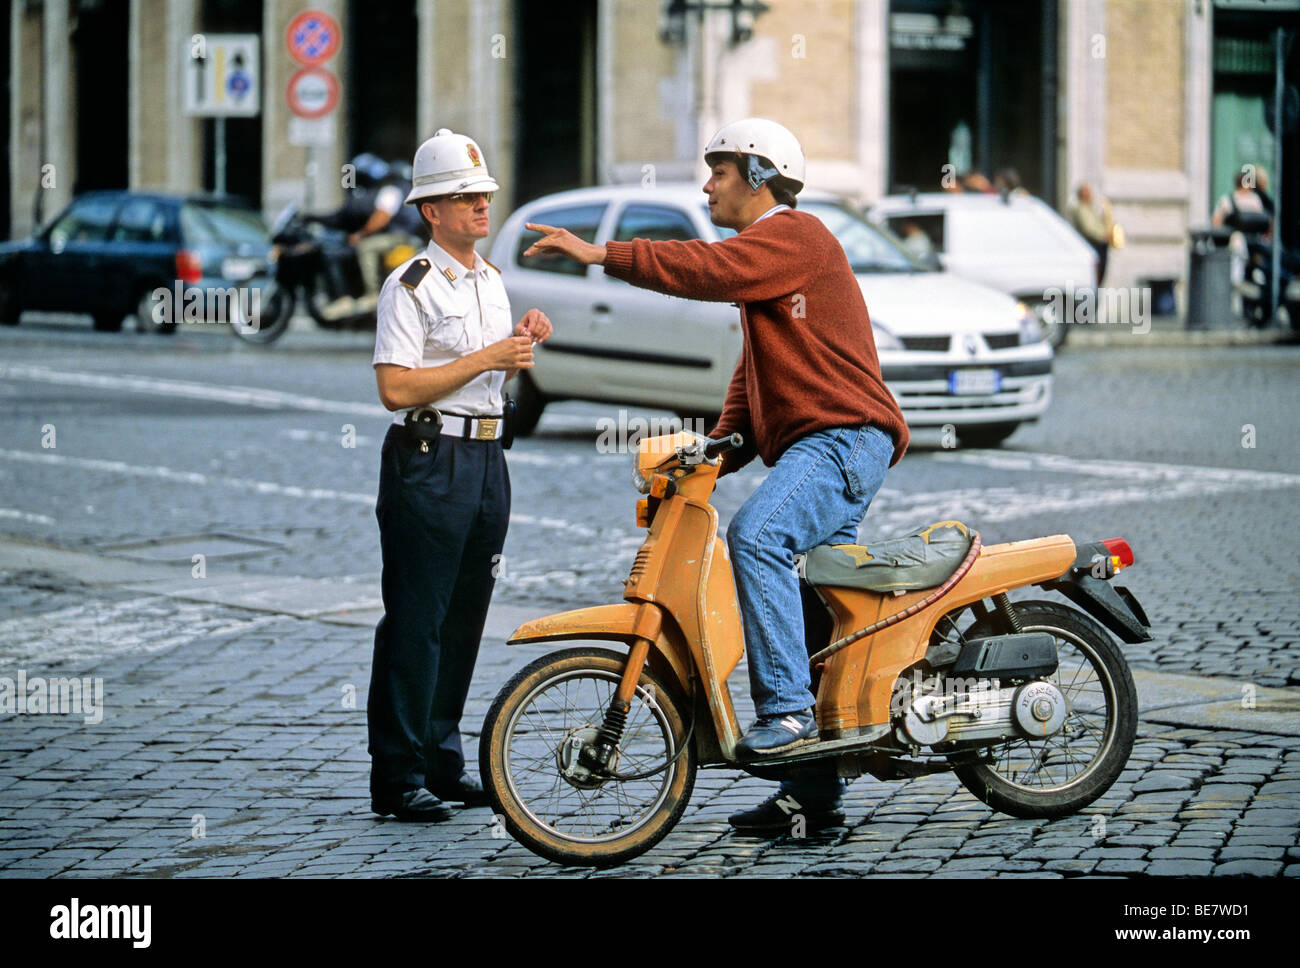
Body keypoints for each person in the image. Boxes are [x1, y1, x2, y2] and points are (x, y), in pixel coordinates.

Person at [522, 117, 909, 835]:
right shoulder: (770, 261)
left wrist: (602, 253)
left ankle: (787, 716)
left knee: (757, 536)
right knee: (820, 613)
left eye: (719, 172)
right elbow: (753, 376)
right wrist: (716, 449)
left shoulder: (796, 236)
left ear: (758, 175)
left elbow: (705, 269)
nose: (708, 185)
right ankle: (814, 798)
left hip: (844, 440)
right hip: (824, 446)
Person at [368, 128, 552, 821]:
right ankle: (398, 774)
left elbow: (492, 366)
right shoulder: (408, 284)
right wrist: (487, 358)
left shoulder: (493, 282)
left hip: (485, 457)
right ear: (432, 212)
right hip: (428, 457)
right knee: (417, 619)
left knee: (466, 614)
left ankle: (441, 761)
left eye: (483, 195)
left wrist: (522, 340)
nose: (481, 206)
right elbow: (395, 387)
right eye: (463, 197)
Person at [1069, 183, 1115, 286]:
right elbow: (1088, 229)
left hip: (1100, 244)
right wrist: (1104, 236)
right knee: (1096, 275)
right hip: (1094, 245)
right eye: (1088, 192)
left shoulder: (1089, 208)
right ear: (1082, 194)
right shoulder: (1080, 209)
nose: (1091, 195)